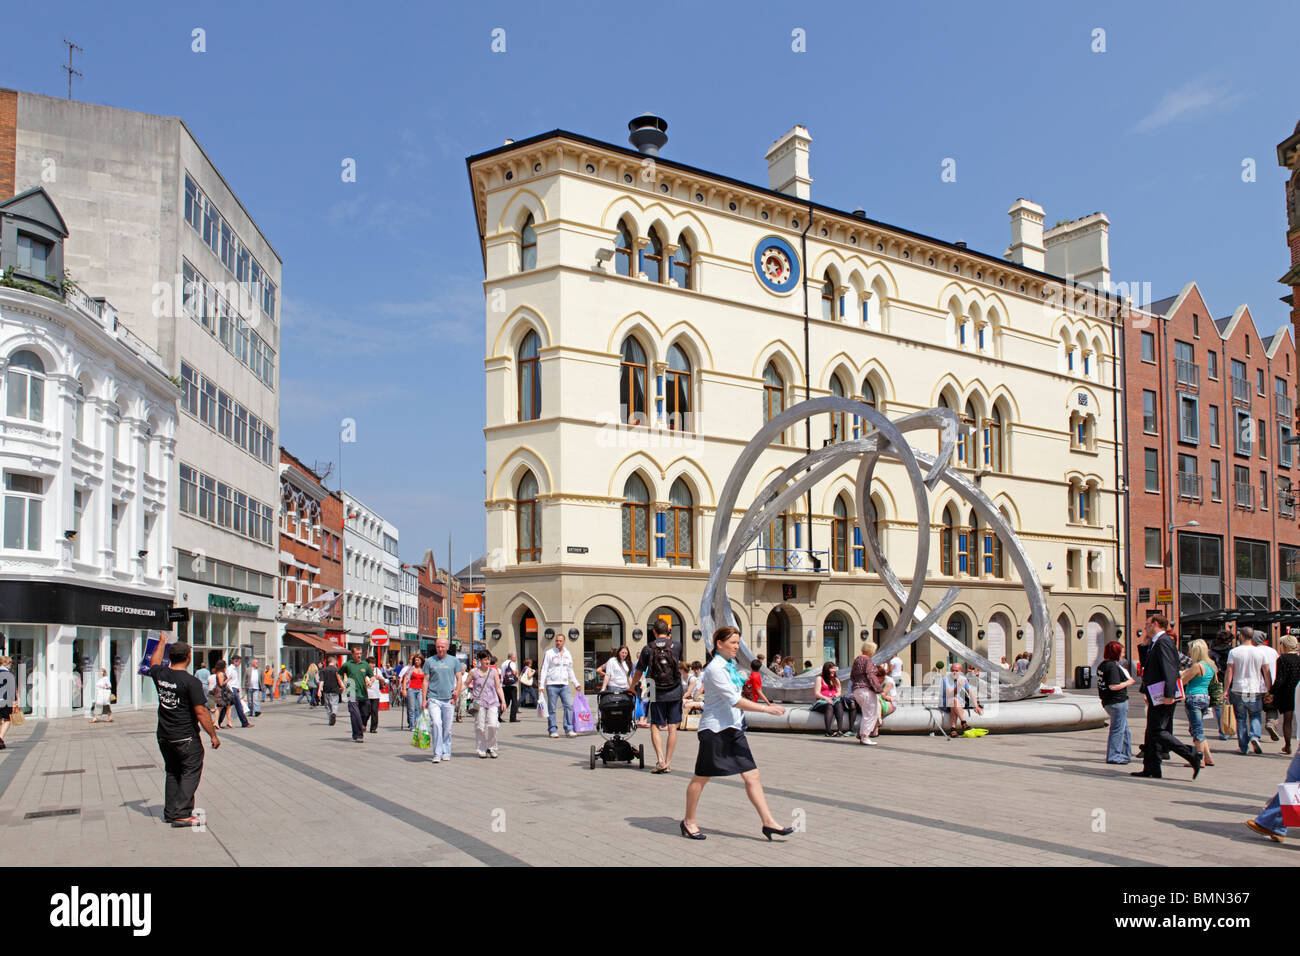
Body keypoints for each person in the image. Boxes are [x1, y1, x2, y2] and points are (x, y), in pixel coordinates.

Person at [680, 626, 794, 842]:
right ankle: (689, 821)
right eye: (732, 642)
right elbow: (735, 700)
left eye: (737, 642)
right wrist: (766, 709)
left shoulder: (730, 666)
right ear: (719, 644)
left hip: (732, 729)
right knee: (701, 777)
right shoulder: (715, 669)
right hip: (714, 731)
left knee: (752, 775)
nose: (736, 647)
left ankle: (768, 822)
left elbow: (736, 693)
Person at [147, 639, 219, 827]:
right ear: (188, 657)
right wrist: (213, 735)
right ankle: (182, 813)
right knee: (190, 771)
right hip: (185, 737)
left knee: (172, 771)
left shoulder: (161, 674)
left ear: (169, 657)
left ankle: (171, 812)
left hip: (164, 735)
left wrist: (162, 642)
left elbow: (153, 663)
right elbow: (201, 712)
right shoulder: (191, 682)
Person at [1132, 613, 1201, 779]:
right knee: (1151, 732)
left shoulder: (1164, 642)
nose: (1145, 627)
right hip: (1156, 693)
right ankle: (1152, 768)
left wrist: (1169, 694)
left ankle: (1191, 753)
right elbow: (1149, 668)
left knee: (1157, 731)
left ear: (1155, 624)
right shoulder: (1155, 642)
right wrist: (1145, 643)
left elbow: (1169, 669)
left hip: (1164, 694)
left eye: (1147, 624)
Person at [630, 620, 683, 771]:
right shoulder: (677, 646)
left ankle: (660, 760)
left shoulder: (648, 649)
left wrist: (632, 687)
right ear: (668, 631)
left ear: (653, 632)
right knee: (672, 725)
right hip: (675, 689)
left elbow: (639, 671)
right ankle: (667, 762)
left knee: (655, 725)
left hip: (654, 687)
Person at [1226, 627, 1270, 755]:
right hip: (1255, 689)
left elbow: (1229, 671)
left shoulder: (1234, 652)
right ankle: (1255, 736)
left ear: (1241, 636)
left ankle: (1243, 747)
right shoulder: (1260, 652)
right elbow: (1267, 672)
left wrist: (1226, 689)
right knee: (1255, 715)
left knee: (1241, 718)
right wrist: (1268, 689)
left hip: (1239, 689)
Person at [423, 638, 465, 764]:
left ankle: (446, 751)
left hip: (449, 699)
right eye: (438, 647)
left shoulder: (454, 661)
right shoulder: (429, 661)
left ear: (447, 647)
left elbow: (459, 678)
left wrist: (457, 691)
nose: (440, 649)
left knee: (447, 728)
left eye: (442, 647)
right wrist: (424, 699)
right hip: (433, 698)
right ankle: (437, 753)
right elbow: (425, 680)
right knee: (436, 724)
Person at [1180, 639, 1217, 769]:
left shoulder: (1197, 666)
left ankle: (1198, 759)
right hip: (1205, 697)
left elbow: (1183, 681)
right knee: (1197, 727)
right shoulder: (1211, 665)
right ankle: (1208, 757)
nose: (1188, 652)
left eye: (1190, 649)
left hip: (1193, 697)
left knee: (1196, 730)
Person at [1098, 640, 1135, 764]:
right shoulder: (1112, 667)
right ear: (1115, 653)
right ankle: (1114, 756)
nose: (1123, 655)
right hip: (1116, 701)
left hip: (1109, 701)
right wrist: (1128, 682)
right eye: (1122, 652)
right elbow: (1113, 686)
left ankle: (1125, 754)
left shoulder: (1103, 665)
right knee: (1118, 729)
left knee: (1124, 729)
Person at [540, 632, 581, 739]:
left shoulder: (568, 653)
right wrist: (541, 685)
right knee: (552, 708)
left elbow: (570, 670)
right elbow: (544, 669)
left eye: (560, 641)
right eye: (556, 641)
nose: (558, 642)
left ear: (564, 642)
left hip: (564, 685)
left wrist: (575, 683)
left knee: (568, 706)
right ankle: (553, 730)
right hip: (552, 684)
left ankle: (569, 729)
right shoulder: (549, 653)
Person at [1267, 634, 1300, 755]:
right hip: (1299, 692)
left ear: (1285, 645)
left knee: (1287, 721)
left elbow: (1280, 679)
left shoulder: (1282, 659)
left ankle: (1288, 745)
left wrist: (1271, 692)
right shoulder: (1299, 658)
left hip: (1287, 693)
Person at [469, 650, 504, 758]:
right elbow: (466, 684)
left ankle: (492, 747)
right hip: (479, 703)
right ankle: (481, 748)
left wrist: (503, 701)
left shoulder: (493, 672)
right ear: (479, 660)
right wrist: (457, 691)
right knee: (480, 726)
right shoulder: (473, 672)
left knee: (493, 724)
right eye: (485, 659)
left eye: (488, 659)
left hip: (493, 701)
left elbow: (498, 687)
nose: (487, 661)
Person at [850, 642, 883, 746]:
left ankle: (862, 734)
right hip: (866, 689)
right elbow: (870, 676)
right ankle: (865, 736)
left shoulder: (857, 660)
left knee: (866, 712)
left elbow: (852, 676)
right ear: (871, 650)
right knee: (871, 713)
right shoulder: (867, 660)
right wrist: (878, 689)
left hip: (857, 689)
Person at [339, 646, 373, 743]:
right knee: (355, 713)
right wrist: (341, 684)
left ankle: (361, 726)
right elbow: (338, 673)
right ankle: (358, 735)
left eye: (360, 653)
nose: (359, 655)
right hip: (352, 690)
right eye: (357, 654)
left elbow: (372, 676)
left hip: (363, 692)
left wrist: (370, 681)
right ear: (352, 654)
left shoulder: (365, 664)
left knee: (366, 712)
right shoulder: (348, 664)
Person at [942, 662, 982, 737]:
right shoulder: (945, 679)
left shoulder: (963, 679)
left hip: (956, 703)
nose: (954, 672)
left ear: (961, 672)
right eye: (953, 670)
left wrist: (976, 706)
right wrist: (959, 686)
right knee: (954, 699)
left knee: (955, 702)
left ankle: (953, 729)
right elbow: (950, 694)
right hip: (945, 703)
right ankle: (963, 722)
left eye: (956, 671)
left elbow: (970, 692)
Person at [1256, 632, 1281, 742]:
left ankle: (1255, 733)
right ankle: (1271, 722)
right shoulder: (1272, 651)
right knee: (1271, 707)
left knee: (1255, 711)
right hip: (1271, 685)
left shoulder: (1254, 651)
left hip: (1255, 686)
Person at [813, 662, 847, 737]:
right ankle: (828, 731)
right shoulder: (819, 678)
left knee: (839, 705)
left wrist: (836, 695)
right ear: (826, 670)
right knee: (829, 706)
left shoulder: (836, 679)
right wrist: (827, 698)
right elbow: (817, 693)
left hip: (834, 700)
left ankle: (840, 730)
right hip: (822, 701)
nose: (833, 670)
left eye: (834, 669)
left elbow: (839, 692)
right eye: (831, 668)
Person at [402, 653, 426, 731]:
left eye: (418, 660)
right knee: (411, 708)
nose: (416, 662)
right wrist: (404, 689)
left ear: (421, 661)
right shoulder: (411, 669)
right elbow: (405, 678)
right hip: (411, 689)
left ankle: (418, 724)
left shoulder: (424, 669)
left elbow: (426, 680)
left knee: (419, 707)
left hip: (420, 690)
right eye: (415, 660)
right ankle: (412, 726)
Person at [365, 656, 386, 734]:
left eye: (374, 663)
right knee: (366, 712)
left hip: (376, 695)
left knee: (374, 711)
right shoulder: (364, 671)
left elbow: (384, 680)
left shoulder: (377, 670)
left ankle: (373, 728)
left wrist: (379, 678)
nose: (373, 665)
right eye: (371, 663)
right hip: (366, 694)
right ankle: (363, 724)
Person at [319, 656, 343, 725]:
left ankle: (330, 717)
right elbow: (340, 680)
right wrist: (342, 687)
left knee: (327, 705)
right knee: (334, 703)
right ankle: (334, 713)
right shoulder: (337, 670)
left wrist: (319, 690)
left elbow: (322, 681)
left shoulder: (323, 670)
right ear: (334, 662)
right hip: (335, 690)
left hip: (326, 690)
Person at [0, 655, 16, 749]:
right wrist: (14, 701)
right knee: (7, 719)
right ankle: (1, 738)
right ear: (4, 663)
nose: (10, 665)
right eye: (9, 663)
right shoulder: (9, 674)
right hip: (5, 700)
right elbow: (11, 689)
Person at [500, 652, 520, 723]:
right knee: (514, 702)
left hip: (504, 685)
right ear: (511, 657)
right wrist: (517, 673)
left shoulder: (503, 663)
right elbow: (514, 672)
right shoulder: (512, 663)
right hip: (512, 684)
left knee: (506, 701)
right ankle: (512, 718)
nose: (515, 658)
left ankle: (498, 715)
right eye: (515, 657)